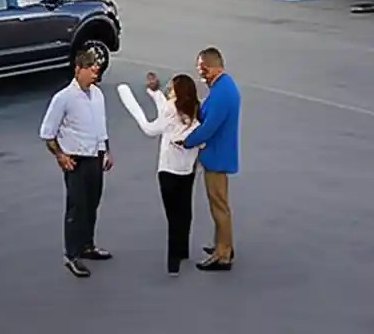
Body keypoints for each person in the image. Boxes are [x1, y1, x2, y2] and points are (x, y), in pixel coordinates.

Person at [116, 72, 201, 276]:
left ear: (178, 92)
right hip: (187, 169)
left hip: (168, 170)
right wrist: (154, 93)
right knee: (185, 212)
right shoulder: (194, 109)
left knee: (173, 216)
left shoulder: (171, 109)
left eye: (170, 88)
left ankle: (173, 263)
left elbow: (152, 128)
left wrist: (132, 100)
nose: (167, 91)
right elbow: (167, 111)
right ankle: (182, 251)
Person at [39, 49, 114, 278]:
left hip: (96, 156)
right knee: (76, 207)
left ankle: (87, 245)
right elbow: (47, 133)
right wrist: (61, 156)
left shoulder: (98, 95)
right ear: (78, 69)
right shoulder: (63, 98)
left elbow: (101, 126)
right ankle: (71, 254)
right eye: (91, 70)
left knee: (92, 203)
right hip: (76, 160)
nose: (94, 75)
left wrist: (107, 150)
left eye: (97, 71)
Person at [178, 47, 240, 271]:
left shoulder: (222, 93)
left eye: (203, 68)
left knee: (219, 206)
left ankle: (223, 254)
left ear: (214, 67)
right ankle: (221, 244)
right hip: (218, 154)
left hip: (217, 156)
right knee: (219, 204)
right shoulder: (223, 87)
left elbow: (209, 127)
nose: (201, 73)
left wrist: (186, 141)